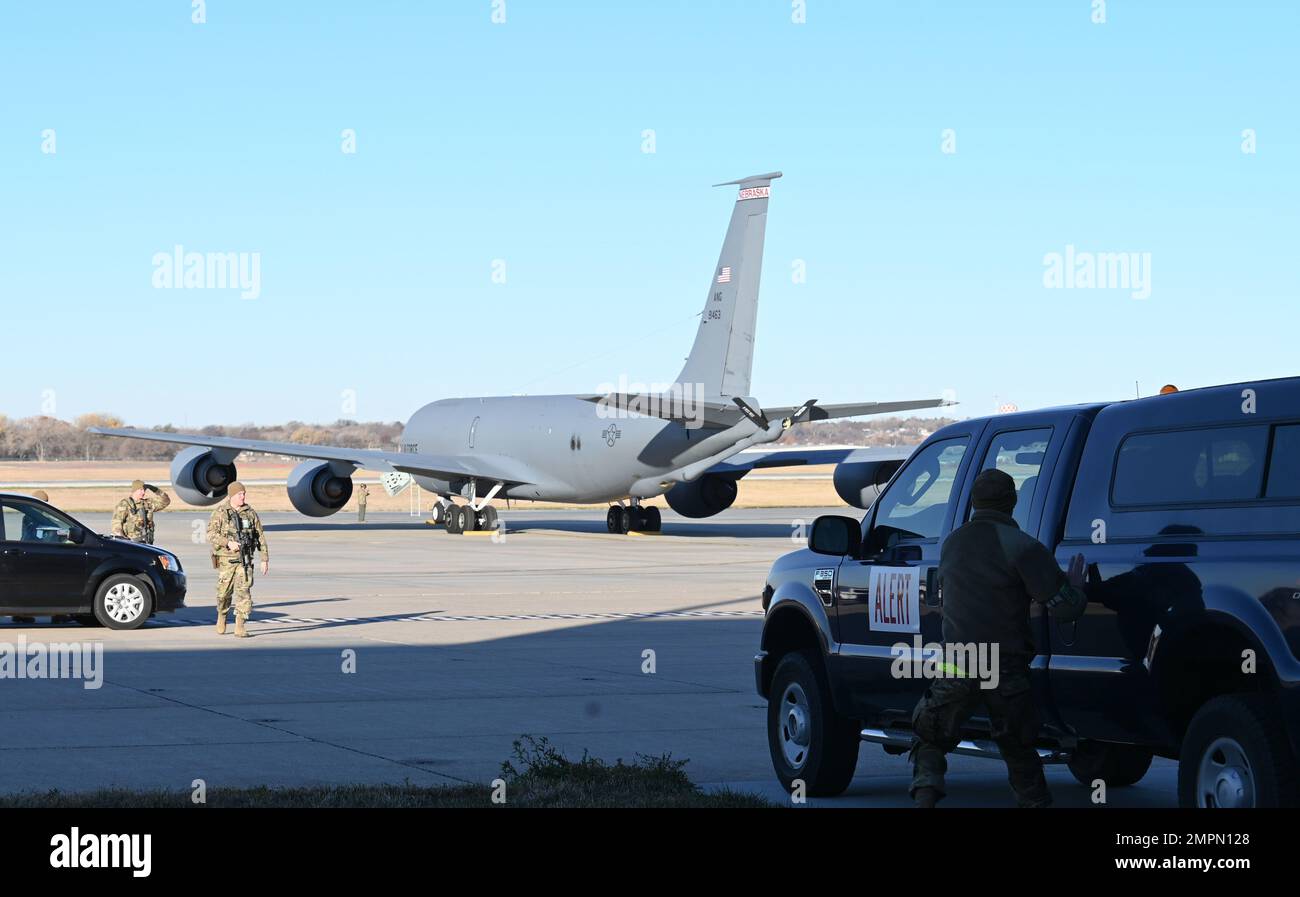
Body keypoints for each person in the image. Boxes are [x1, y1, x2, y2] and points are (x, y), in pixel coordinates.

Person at [910, 468, 1086, 808]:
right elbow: (1065, 608)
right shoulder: (1023, 547)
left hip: (957, 664)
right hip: (1006, 669)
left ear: (974, 502)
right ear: (1012, 503)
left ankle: (925, 799)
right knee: (1018, 749)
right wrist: (1075, 588)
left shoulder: (952, 544)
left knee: (930, 736)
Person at [206, 482, 268, 638]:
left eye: (244, 494)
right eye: (240, 494)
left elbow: (260, 537)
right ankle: (222, 615)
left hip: (245, 559)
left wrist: (264, 559)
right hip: (227, 560)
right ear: (232, 495)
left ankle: (240, 626)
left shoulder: (250, 513)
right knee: (223, 594)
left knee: (244, 592)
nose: (243, 496)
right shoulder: (221, 512)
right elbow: (210, 534)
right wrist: (228, 543)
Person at [111, 479, 171, 544]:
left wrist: (154, 489)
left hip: (148, 543)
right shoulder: (125, 504)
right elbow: (116, 524)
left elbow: (165, 501)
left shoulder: (147, 503)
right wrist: (124, 541)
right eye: (141, 490)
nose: (143, 492)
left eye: (144, 490)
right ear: (135, 490)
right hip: (132, 544)